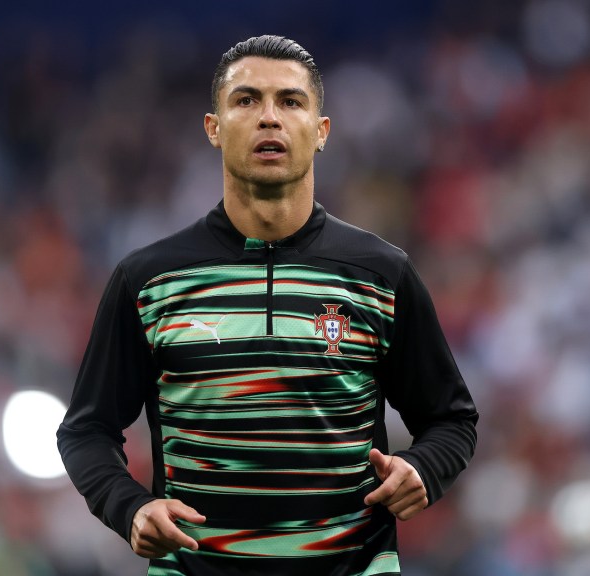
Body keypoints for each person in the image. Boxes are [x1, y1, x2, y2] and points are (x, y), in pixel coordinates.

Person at [57, 34, 478, 576]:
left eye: (291, 101)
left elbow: (451, 419)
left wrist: (422, 469)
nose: (270, 117)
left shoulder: (382, 274)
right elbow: (86, 430)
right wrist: (130, 507)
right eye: (247, 100)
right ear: (213, 128)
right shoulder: (148, 280)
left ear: (321, 132)